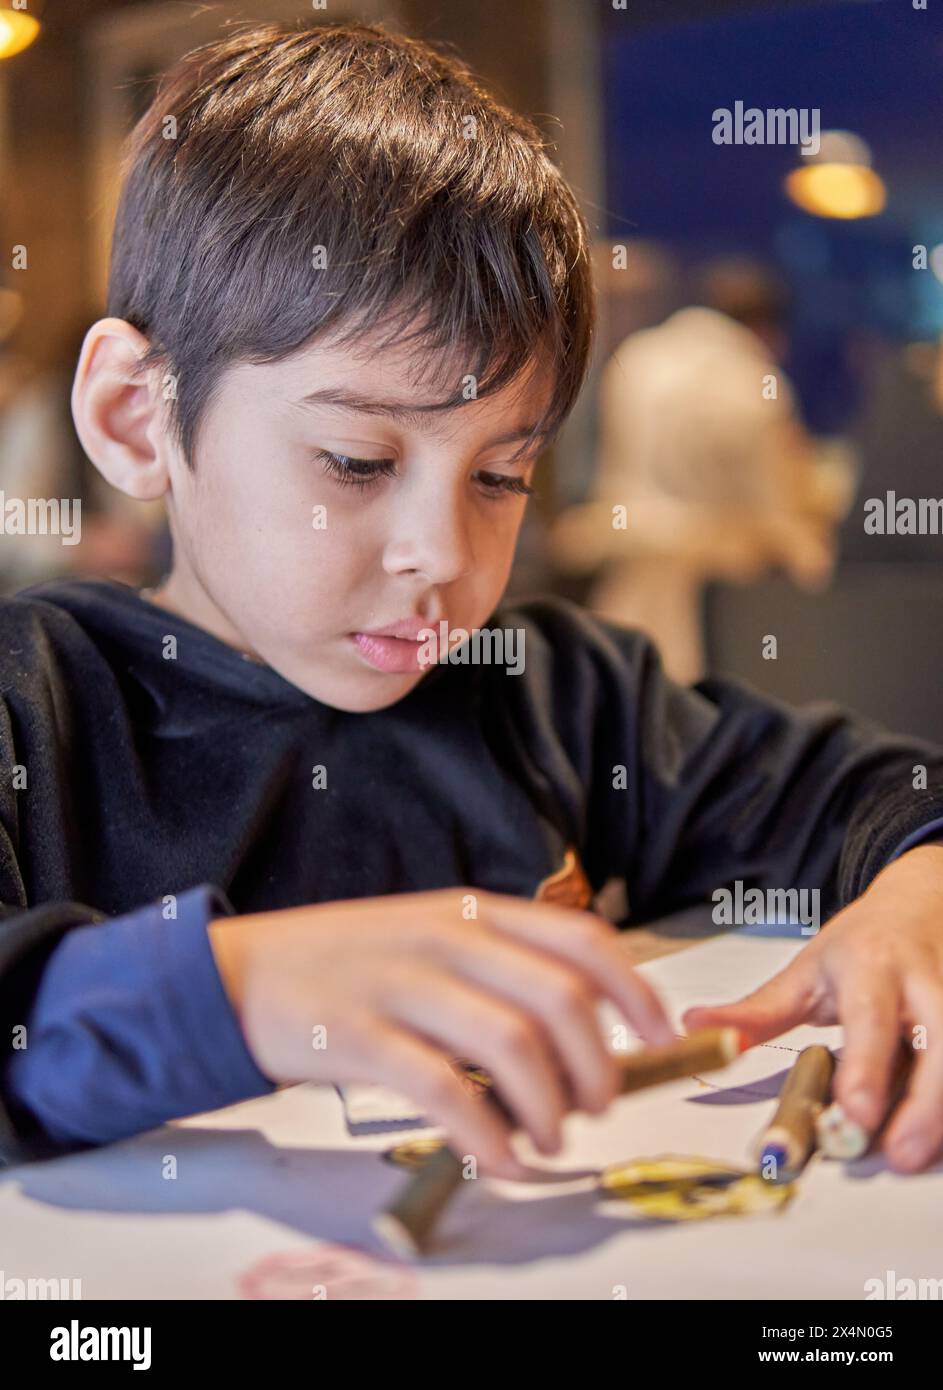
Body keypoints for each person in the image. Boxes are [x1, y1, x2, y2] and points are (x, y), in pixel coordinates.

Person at [1, 21, 942, 1181]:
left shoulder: (553, 692)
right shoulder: (33, 707)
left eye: (502, 475)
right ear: (135, 420)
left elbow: (876, 792)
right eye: (356, 460)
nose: (441, 552)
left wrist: (918, 891)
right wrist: (249, 989)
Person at [553, 259, 852, 683]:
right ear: (769, 330)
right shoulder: (754, 382)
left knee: (625, 695)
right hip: (718, 608)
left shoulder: (639, 356)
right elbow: (777, 512)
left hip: (626, 575)